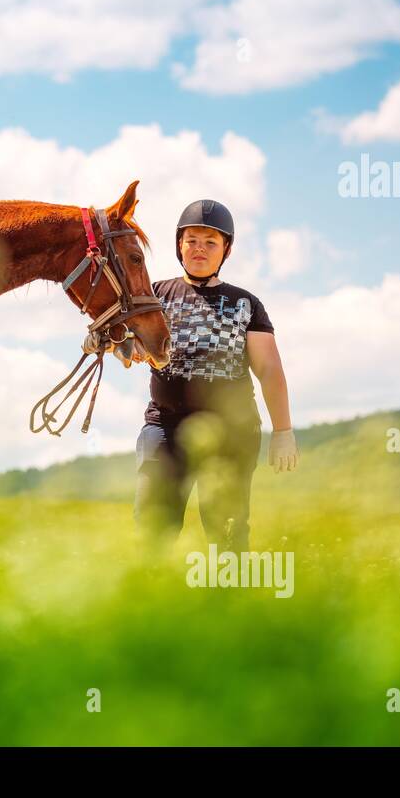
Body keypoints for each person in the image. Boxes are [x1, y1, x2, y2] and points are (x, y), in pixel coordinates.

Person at [134, 199, 297, 553]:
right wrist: (104, 340)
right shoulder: (154, 295)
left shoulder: (247, 304)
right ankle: (147, 601)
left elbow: (269, 370)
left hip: (231, 430)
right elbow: (132, 348)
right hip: (165, 424)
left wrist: (283, 431)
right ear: (180, 245)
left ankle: (229, 601)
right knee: (152, 521)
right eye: (192, 240)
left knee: (225, 528)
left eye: (210, 242)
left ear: (225, 249)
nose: (199, 249)